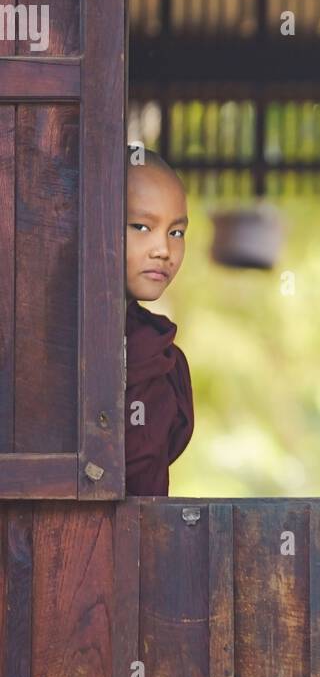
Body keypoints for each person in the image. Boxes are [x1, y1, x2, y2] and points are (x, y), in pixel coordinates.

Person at [125, 145, 194, 495]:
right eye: (141, 226)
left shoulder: (165, 359)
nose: (163, 250)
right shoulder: (46, 335)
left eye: (175, 232)